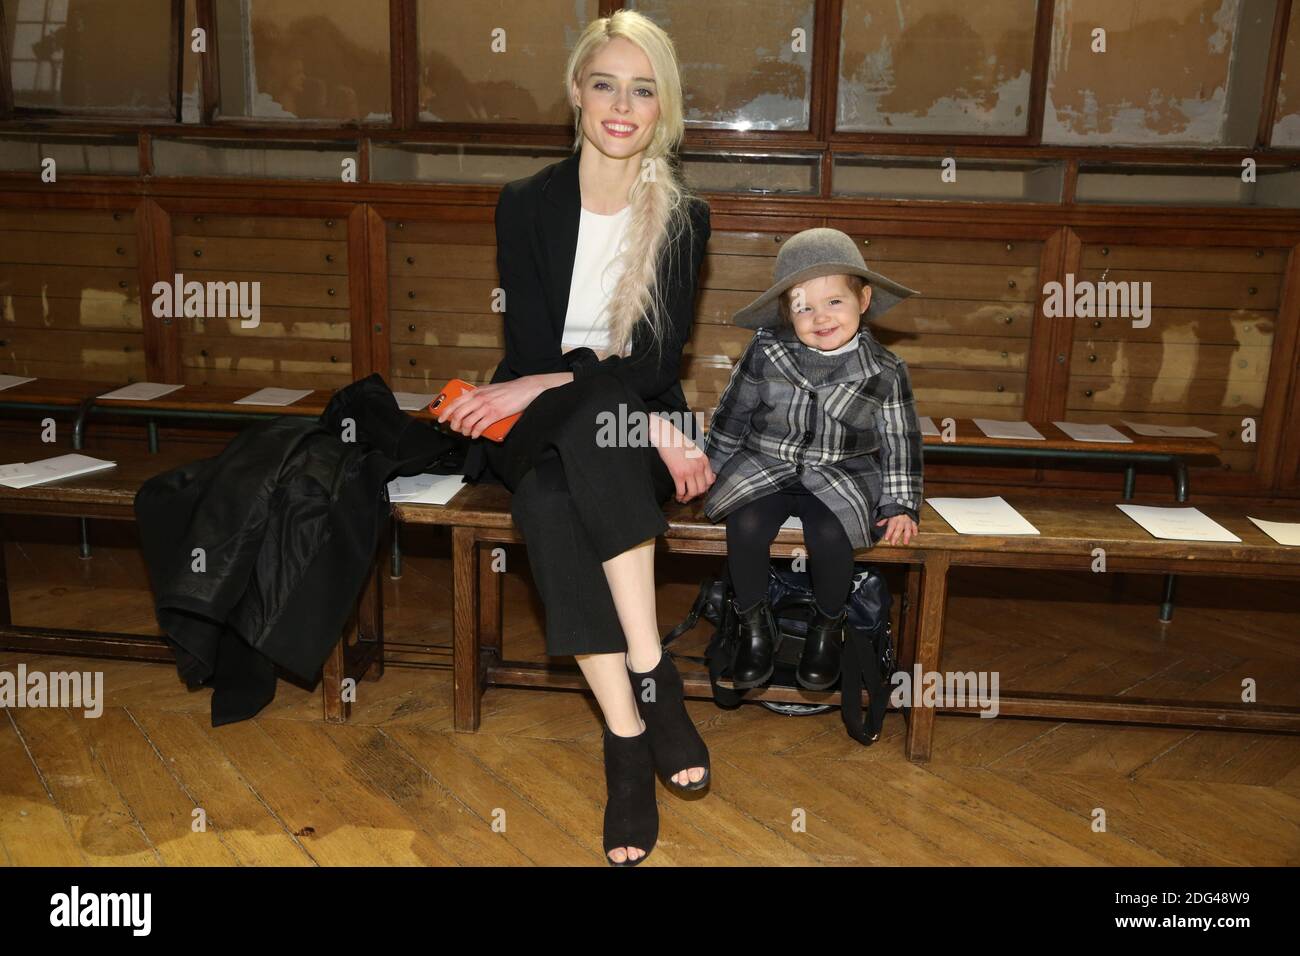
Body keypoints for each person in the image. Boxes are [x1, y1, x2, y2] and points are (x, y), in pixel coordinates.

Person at [438, 11, 712, 866]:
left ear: (661, 106)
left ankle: (626, 745)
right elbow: (528, 353)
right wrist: (554, 381)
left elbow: (657, 360)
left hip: (630, 422)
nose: (622, 105)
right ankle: (652, 674)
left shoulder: (682, 215)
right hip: (537, 423)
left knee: (556, 505)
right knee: (582, 418)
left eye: (643, 89)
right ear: (576, 95)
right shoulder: (525, 205)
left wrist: (563, 380)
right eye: (606, 85)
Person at [701, 228, 924, 697]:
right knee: (745, 526)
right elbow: (733, 414)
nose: (820, 317)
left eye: (834, 303)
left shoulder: (884, 368)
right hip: (766, 464)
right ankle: (755, 628)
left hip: (841, 472)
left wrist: (899, 504)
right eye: (804, 306)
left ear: (863, 300)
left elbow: (900, 439)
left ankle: (826, 628)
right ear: (788, 311)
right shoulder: (767, 351)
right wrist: (708, 466)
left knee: (830, 533)